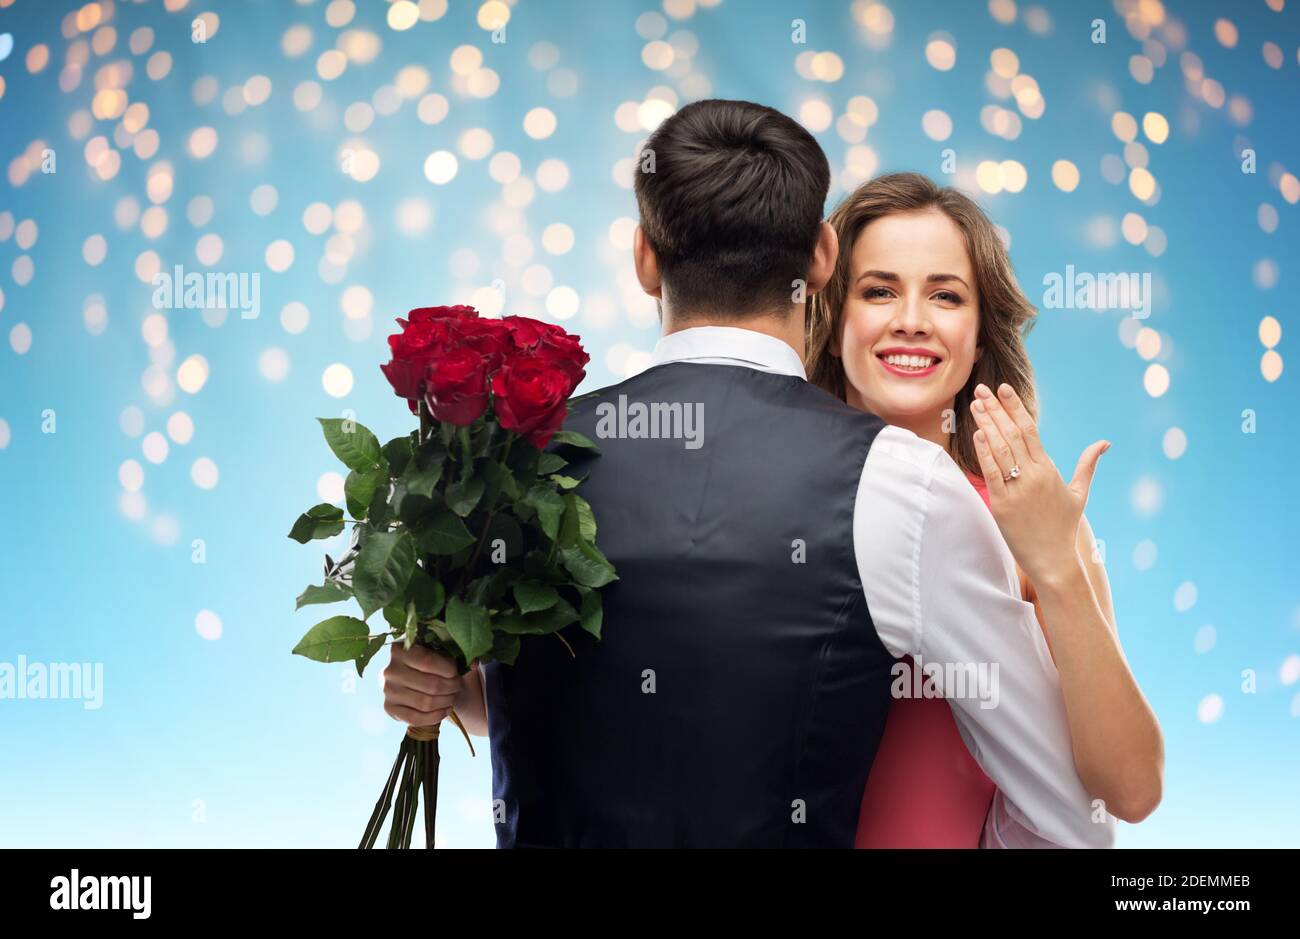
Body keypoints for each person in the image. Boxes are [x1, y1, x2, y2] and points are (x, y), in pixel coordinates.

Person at [381, 99, 1115, 848]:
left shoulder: (515, 460)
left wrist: (443, 686)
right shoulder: (907, 484)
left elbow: (545, 706)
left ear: (643, 258)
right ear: (824, 257)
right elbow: (1069, 816)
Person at [806, 173, 1163, 847]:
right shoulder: (783, 500)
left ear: (979, 332)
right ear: (831, 321)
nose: (911, 318)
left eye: (945, 295)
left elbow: (1131, 789)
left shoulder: (1032, 520)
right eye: (878, 290)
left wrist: (1057, 563)